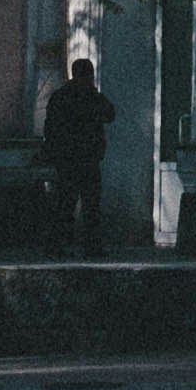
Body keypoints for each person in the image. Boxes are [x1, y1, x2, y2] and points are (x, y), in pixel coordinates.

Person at [41, 48, 110, 255]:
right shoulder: (91, 97)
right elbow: (110, 113)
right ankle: (91, 246)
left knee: (65, 204)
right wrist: (95, 92)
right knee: (90, 206)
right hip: (87, 158)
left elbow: (50, 128)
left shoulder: (60, 96)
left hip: (67, 159)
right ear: (88, 75)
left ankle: (57, 246)